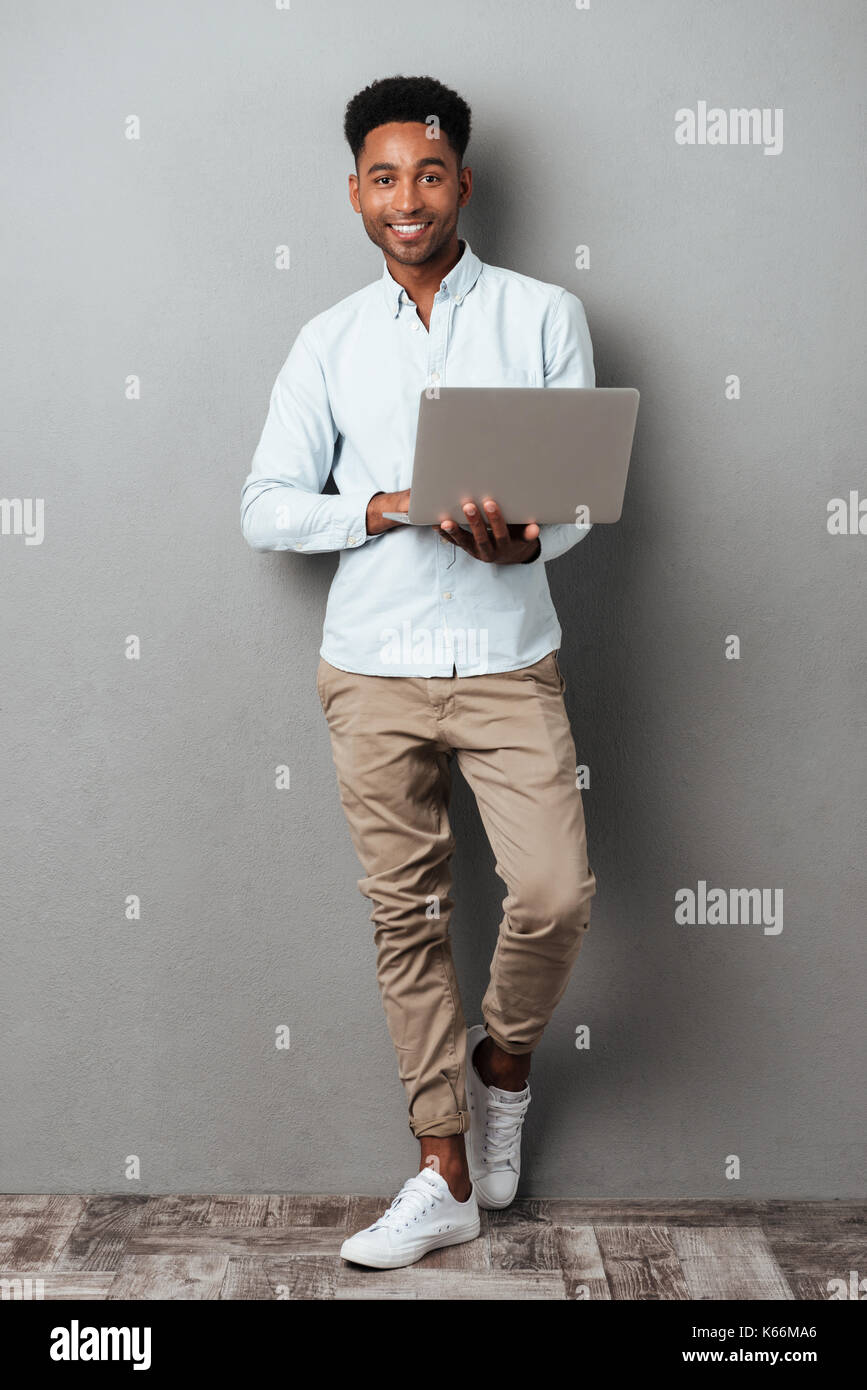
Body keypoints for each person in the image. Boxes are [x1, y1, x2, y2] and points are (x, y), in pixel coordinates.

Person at [241, 75, 597, 1270]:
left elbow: (580, 497)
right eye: (383, 177)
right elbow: (266, 507)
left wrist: (529, 534)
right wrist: (384, 506)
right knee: (408, 920)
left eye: (429, 174)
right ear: (354, 191)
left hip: (508, 656)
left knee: (554, 892)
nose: (408, 198)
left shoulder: (545, 314)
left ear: (464, 183)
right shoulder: (327, 342)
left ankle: (502, 1065)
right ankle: (442, 1166)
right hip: (374, 668)